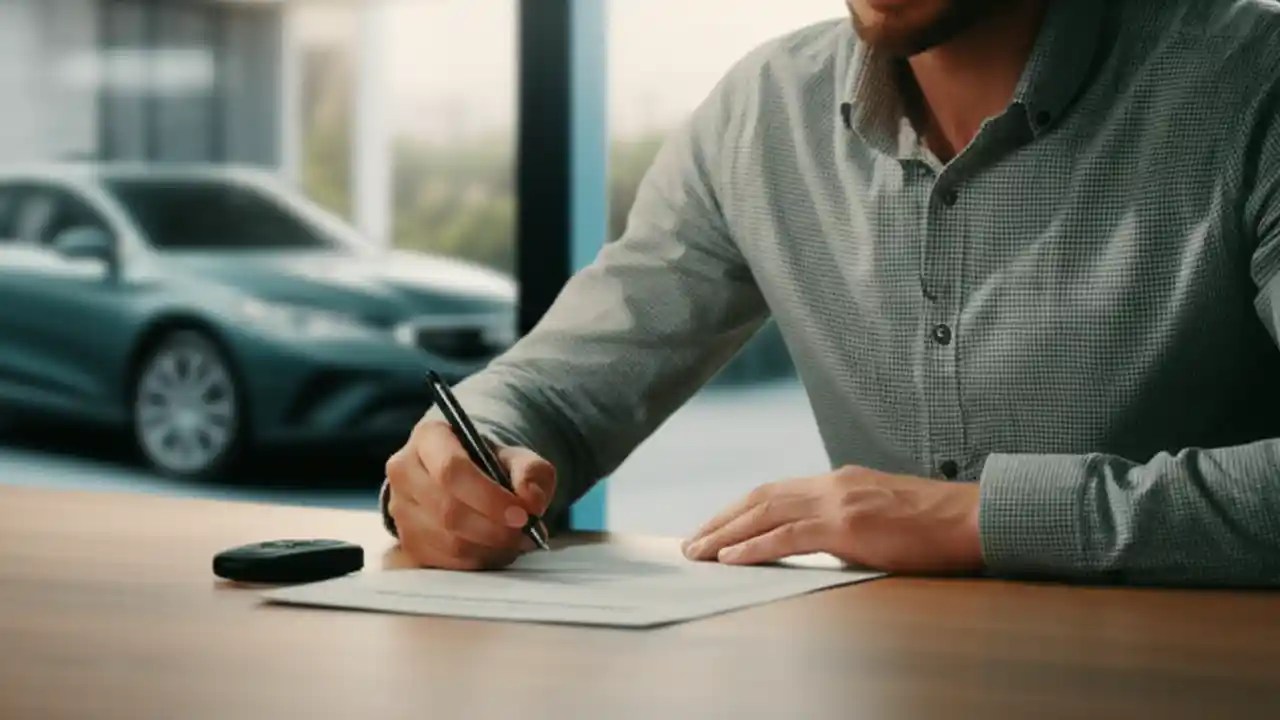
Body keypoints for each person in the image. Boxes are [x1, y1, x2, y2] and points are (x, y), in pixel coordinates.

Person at [381, 0, 1280, 585]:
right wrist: (460, 462)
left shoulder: (1252, 86)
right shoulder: (764, 112)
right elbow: (559, 388)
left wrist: (988, 518)